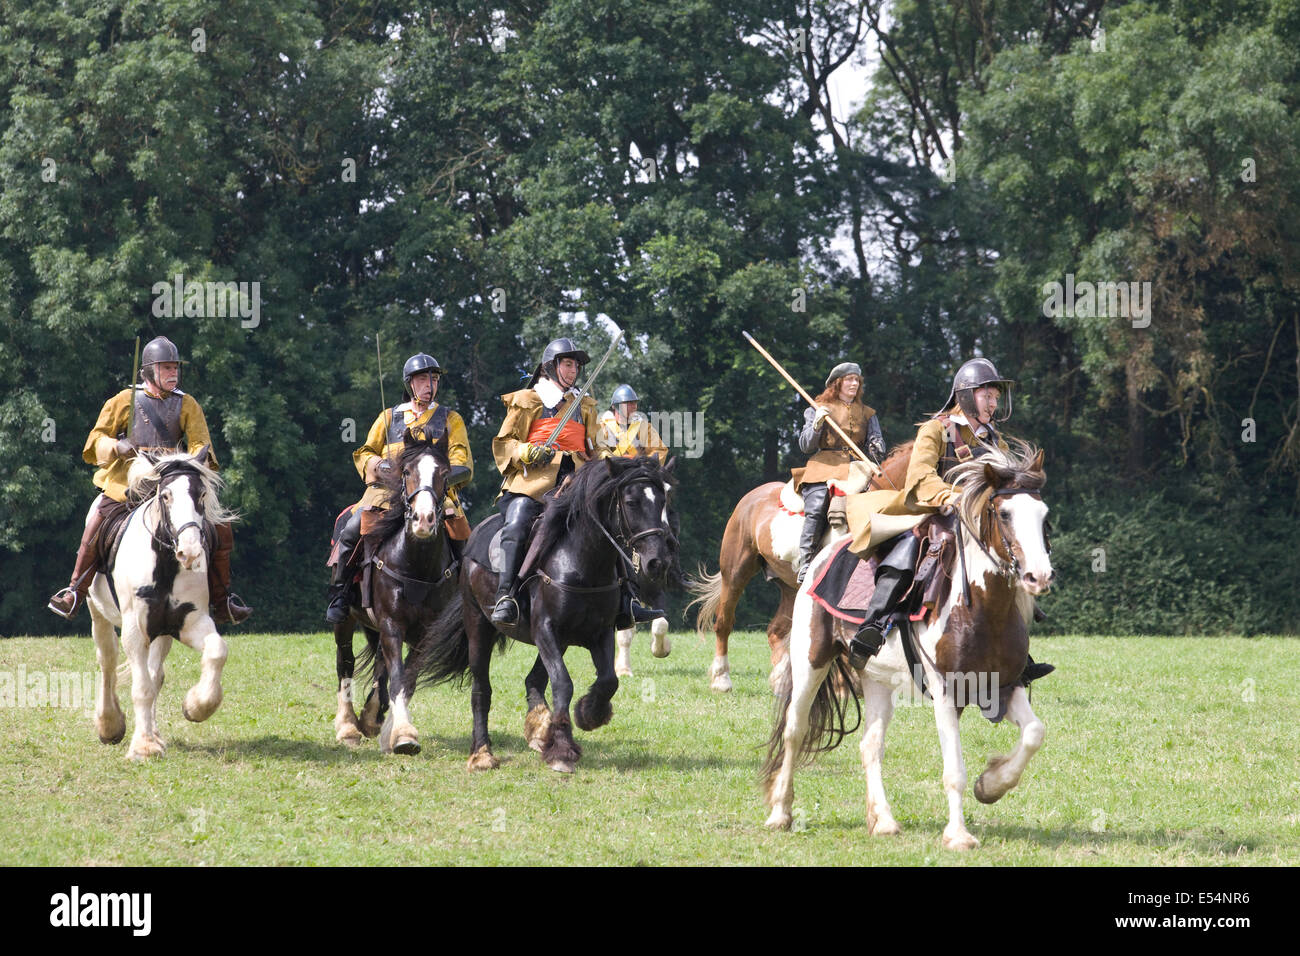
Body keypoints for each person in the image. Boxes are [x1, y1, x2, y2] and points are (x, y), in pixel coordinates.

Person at [841, 358, 1052, 681]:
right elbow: (921, 477)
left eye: (996, 397)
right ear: (966, 395)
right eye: (987, 396)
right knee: (911, 550)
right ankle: (874, 625)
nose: (994, 403)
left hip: (982, 525)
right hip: (936, 515)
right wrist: (954, 499)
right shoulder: (936, 429)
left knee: (1014, 559)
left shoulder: (998, 441)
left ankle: (1016, 655)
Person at [48, 336, 251, 625]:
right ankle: (74, 591)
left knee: (222, 526)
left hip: (173, 485)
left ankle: (221, 600)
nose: (173, 373)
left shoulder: (187, 404)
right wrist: (117, 447)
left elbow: (201, 444)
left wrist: (191, 462)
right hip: (127, 486)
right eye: (166, 368)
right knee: (97, 520)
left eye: (175, 368)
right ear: (148, 371)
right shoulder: (123, 400)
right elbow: (95, 440)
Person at [489, 339, 661, 627]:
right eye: (567, 364)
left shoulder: (584, 405)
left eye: (576, 366)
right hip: (534, 483)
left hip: (577, 483)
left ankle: (628, 599)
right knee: (518, 522)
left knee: (614, 522)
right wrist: (527, 451)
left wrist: (612, 461)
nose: (573, 370)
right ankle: (507, 594)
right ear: (551, 367)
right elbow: (504, 443)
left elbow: (599, 444)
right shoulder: (528, 400)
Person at [325, 352, 472, 623]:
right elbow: (365, 452)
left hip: (435, 493)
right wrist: (381, 466)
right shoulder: (389, 417)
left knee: (463, 534)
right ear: (410, 384)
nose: (430, 384)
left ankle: (468, 599)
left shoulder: (451, 419)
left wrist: (435, 482)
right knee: (351, 527)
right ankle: (340, 593)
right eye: (422, 379)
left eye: (434, 379)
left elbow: (462, 463)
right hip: (385, 492)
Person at [792, 362, 885, 584]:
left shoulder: (868, 413)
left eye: (857, 380)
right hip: (825, 464)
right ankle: (806, 561)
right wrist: (816, 424)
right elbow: (805, 445)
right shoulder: (817, 408)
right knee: (817, 506)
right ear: (837, 383)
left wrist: (877, 445)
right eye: (849, 379)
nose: (854, 383)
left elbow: (876, 439)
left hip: (858, 466)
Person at [596, 384, 669, 462]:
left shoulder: (644, 427)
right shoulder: (603, 425)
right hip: (614, 471)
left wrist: (645, 465)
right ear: (616, 406)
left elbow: (659, 450)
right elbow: (600, 450)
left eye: (635, 403)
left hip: (639, 471)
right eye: (629, 403)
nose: (634, 406)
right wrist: (613, 462)